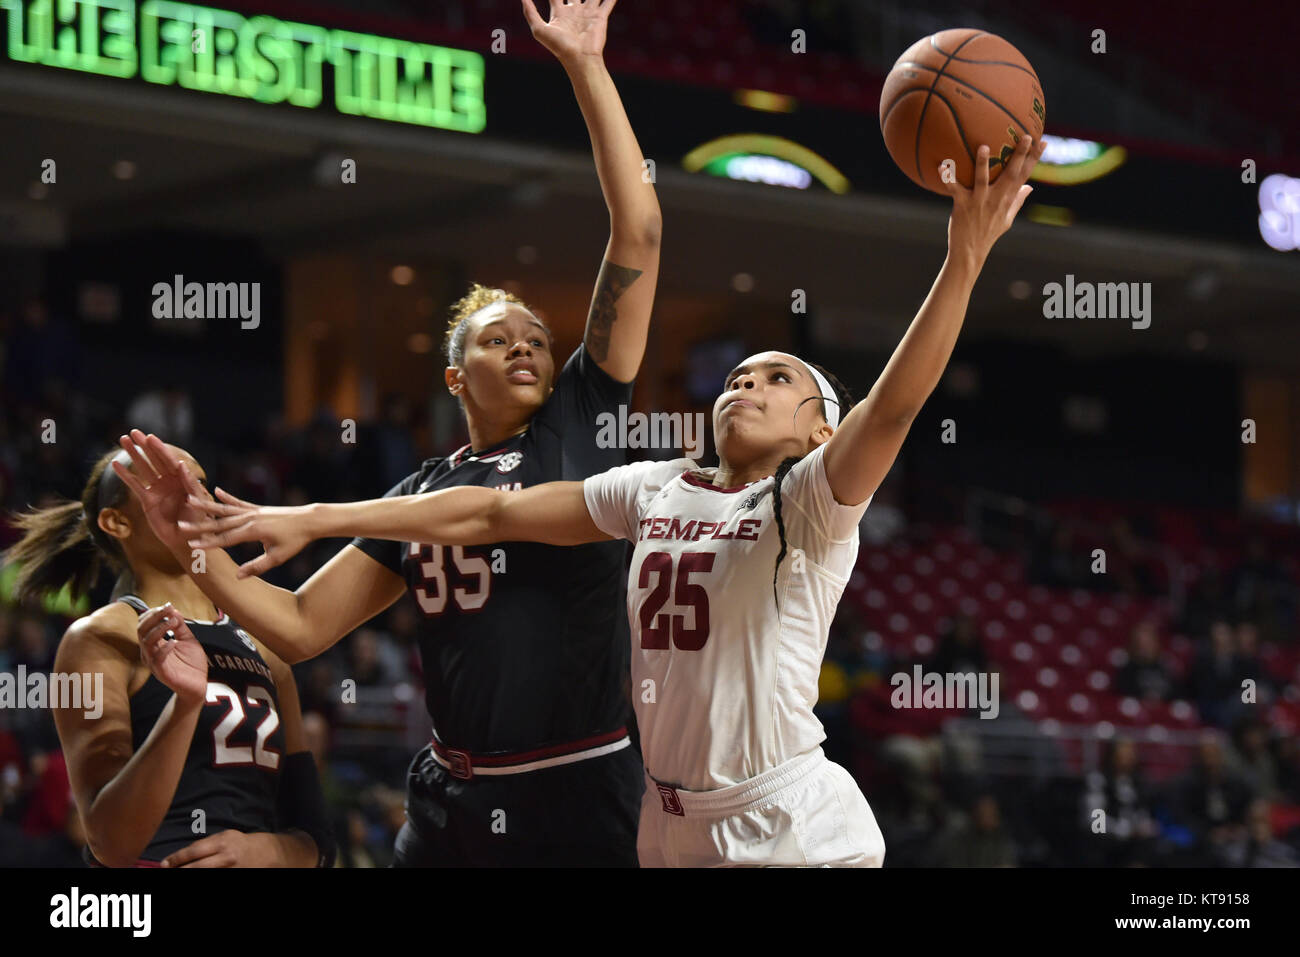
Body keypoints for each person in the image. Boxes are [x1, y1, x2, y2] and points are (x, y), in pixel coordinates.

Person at [136, 134, 1046, 865]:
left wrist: (964, 259)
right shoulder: (652, 484)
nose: (747, 384)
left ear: (818, 432)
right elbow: (477, 519)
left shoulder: (782, 493)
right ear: (454, 374)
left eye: (779, 379)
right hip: (639, 817)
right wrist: (244, 531)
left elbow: (888, 404)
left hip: (720, 808)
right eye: (740, 374)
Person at [115, 0, 661, 867]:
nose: (524, 345)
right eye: (497, 340)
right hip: (448, 800)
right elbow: (299, 626)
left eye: (536, 338)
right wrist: (192, 542)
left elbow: (639, 230)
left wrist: (587, 68)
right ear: (455, 377)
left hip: (578, 787)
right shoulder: (415, 492)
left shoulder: (581, 418)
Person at [3, 447, 333, 867]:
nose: (195, 495)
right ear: (117, 522)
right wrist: (184, 706)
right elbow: (109, 841)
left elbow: (318, 842)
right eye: (169, 484)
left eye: (199, 482)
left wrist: (269, 851)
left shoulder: (267, 641)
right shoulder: (99, 638)